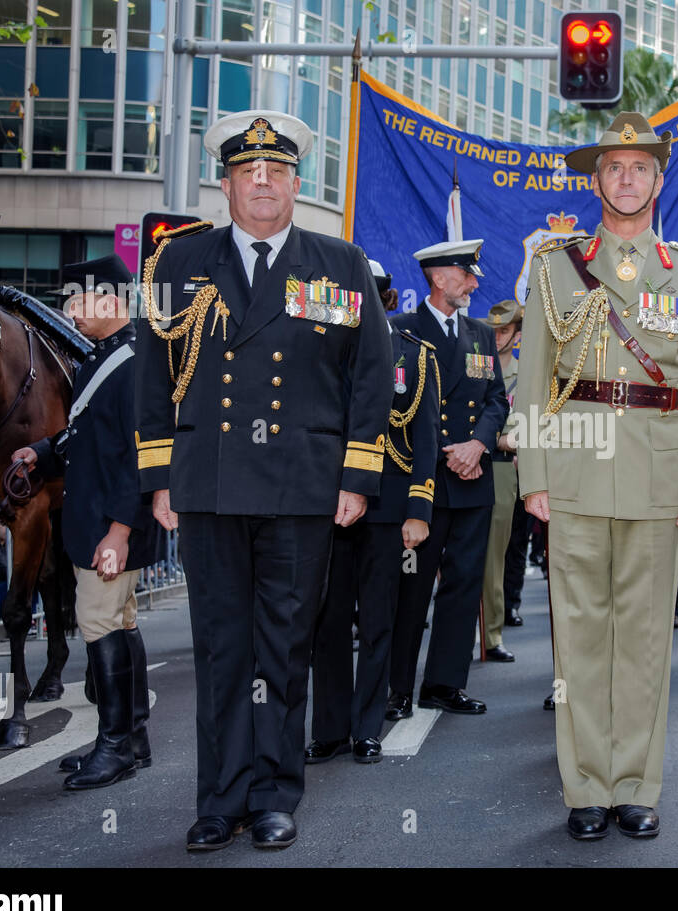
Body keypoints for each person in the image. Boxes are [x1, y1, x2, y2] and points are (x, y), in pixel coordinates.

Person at [135, 110, 393, 852]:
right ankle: (219, 798)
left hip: (302, 485)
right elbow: (153, 378)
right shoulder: (178, 266)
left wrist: (357, 475)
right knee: (221, 645)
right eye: (248, 173)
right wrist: (159, 476)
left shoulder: (339, 264)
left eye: (275, 173)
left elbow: (370, 378)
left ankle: (275, 790)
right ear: (225, 185)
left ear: (294, 184)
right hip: (210, 482)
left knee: (282, 645)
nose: (262, 184)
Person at [517, 111, 678, 840]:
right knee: (577, 637)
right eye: (614, 167)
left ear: (658, 179)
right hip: (573, 467)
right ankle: (585, 786)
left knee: (643, 637)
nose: (627, 178)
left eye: (640, 167)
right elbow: (534, 381)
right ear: (596, 179)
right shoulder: (554, 269)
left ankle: (637, 781)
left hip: (659, 477)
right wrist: (531, 473)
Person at [13, 254, 165, 790]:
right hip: (98, 519)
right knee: (120, 622)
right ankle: (132, 737)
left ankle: (115, 746)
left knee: (100, 624)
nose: (70, 312)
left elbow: (140, 454)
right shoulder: (111, 353)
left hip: (109, 524)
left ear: (111, 301)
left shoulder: (137, 360)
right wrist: (42, 452)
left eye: (79, 301)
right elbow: (87, 433)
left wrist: (120, 532)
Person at [304, 261, 439, 765]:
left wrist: (419, 510)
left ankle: (367, 726)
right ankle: (330, 728)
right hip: (325, 506)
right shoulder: (320, 348)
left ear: (380, 297)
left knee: (379, 619)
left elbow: (423, 439)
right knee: (328, 621)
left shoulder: (413, 354)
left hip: (386, 507)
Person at [388, 239, 509, 719]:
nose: (474, 283)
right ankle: (396, 688)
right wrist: (447, 453)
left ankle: (444, 683)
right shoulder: (401, 330)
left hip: (474, 479)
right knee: (410, 588)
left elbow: (496, 399)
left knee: (463, 587)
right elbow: (395, 405)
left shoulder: (481, 334)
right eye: (466, 275)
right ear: (439, 278)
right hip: (424, 484)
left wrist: (477, 443)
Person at [479, 298, 525, 662]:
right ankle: (460, 629)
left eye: (505, 331)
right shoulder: (472, 367)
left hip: (500, 467)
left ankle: (491, 634)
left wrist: (493, 440)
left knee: (496, 554)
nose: (496, 339)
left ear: (518, 335)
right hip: (461, 465)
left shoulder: (525, 377)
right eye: (492, 331)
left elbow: (526, 430)